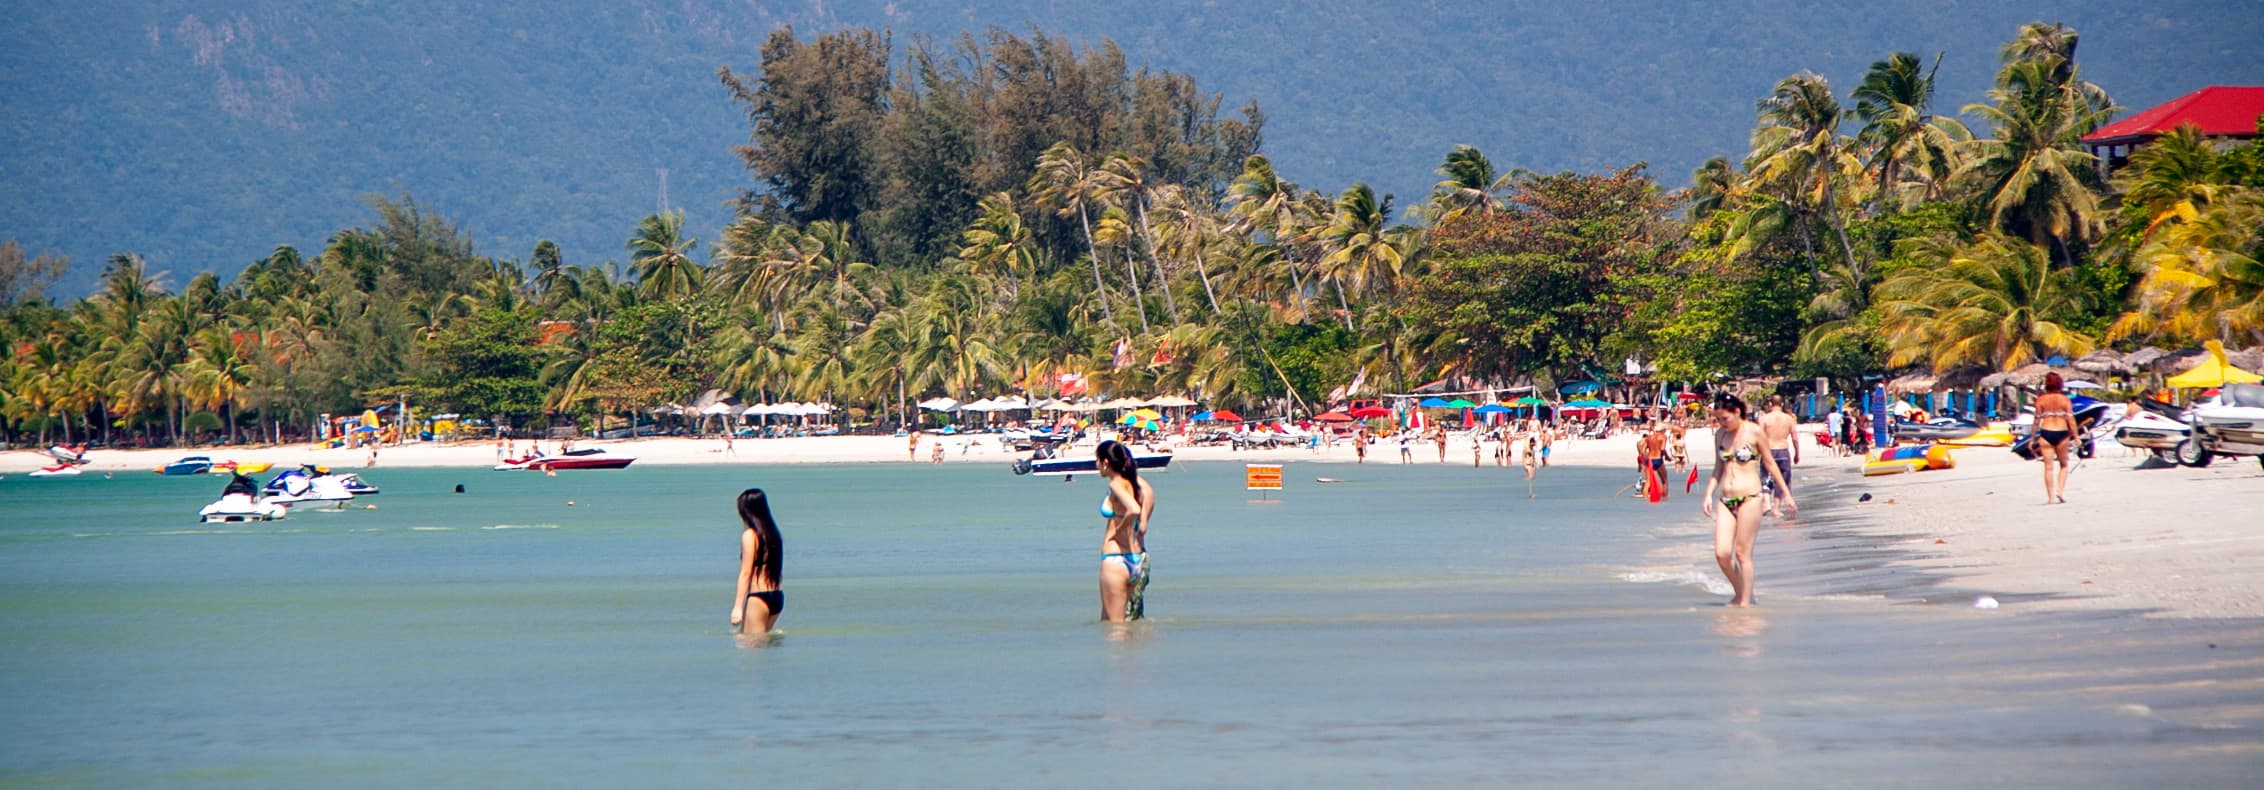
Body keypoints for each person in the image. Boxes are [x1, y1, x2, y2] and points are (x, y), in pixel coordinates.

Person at [1702, 394, 1796, 607]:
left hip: (1750, 498)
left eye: (1724, 418)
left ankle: (1744, 603)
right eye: (1718, 419)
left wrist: (1786, 494)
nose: (1722, 423)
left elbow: (1771, 464)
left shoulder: (1754, 432)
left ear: (1737, 412)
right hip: (1726, 499)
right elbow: (1718, 468)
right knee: (1722, 554)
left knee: (1742, 553)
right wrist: (1708, 494)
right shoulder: (1720, 435)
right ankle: (1741, 591)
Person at [1095, 440, 1154, 622]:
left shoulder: (1116, 485)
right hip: (1136, 559)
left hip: (1115, 559)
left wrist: (1118, 530)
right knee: (1118, 622)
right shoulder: (1138, 485)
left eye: (1097, 460)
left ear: (1106, 462)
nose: (1096, 465)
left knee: (1115, 627)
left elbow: (1134, 510)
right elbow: (1142, 525)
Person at [729, 488, 785, 634]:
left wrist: (737, 607)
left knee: (749, 646)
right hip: (776, 595)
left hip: (758, 597)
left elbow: (746, 572)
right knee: (764, 647)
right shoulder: (773, 535)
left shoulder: (750, 535)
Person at [2033, 373, 2078, 504]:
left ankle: (2051, 497)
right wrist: (2075, 436)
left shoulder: (2041, 399)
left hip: (2046, 432)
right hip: (2062, 432)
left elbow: (2036, 420)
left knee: (2048, 467)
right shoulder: (2065, 399)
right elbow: (2071, 419)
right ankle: (2059, 491)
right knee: (2063, 464)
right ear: (2060, 384)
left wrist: (2031, 438)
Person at [1758, 395, 1800, 515]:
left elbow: (1758, 436)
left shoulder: (1764, 418)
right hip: (1783, 451)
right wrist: (1797, 453)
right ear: (1782, 404)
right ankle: (1776, 508)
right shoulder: (1789, 419)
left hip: (1768, 450)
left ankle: (1766, 503)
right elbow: (1795, 438)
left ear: (1770, 404)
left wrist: (1757, 452)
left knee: (1765, 477)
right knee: (1782, 479)